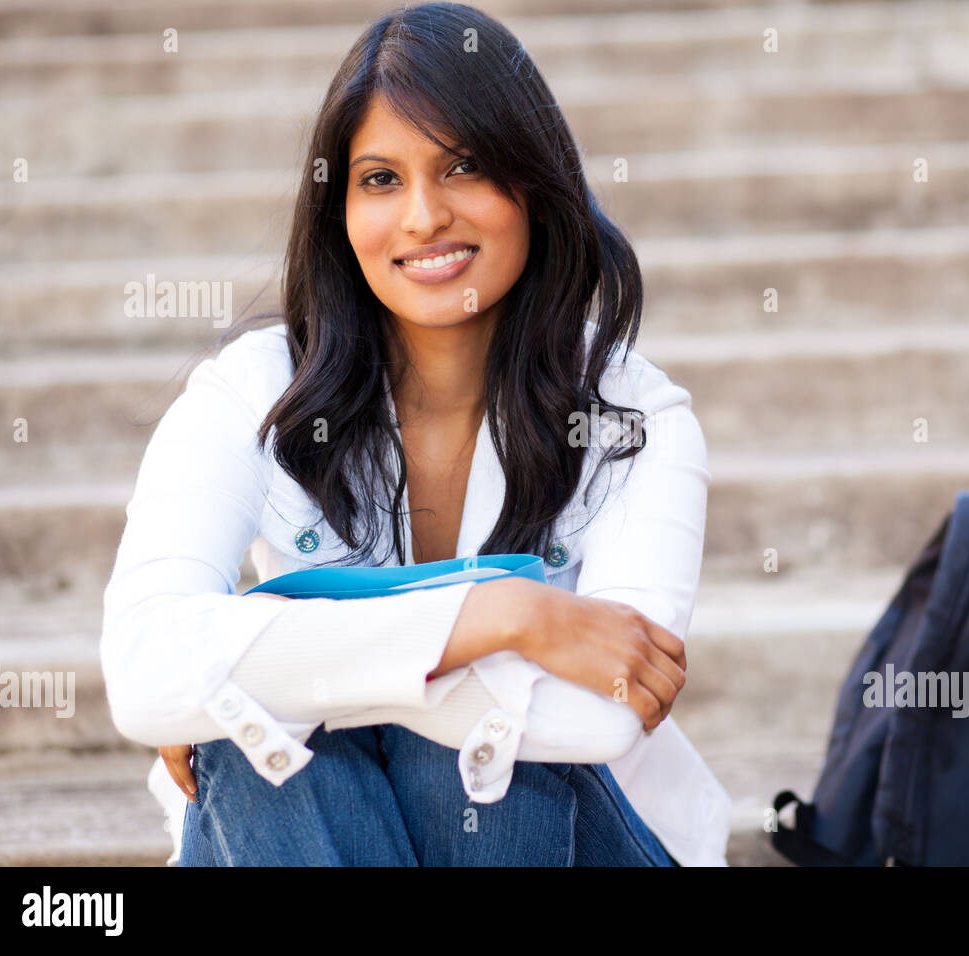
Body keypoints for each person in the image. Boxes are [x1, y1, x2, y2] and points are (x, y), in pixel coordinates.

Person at [99, 1, 732, 866]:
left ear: (534, 188)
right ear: (340, 212)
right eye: (380, 179)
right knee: (269, 763)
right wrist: (499, 616)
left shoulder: (633, 419)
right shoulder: (251, 391)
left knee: (440, 760)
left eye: (464, 166)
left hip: (577, 839)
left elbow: (603, 710)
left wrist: (261, 675)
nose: (424, 216)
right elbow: (143, 672)